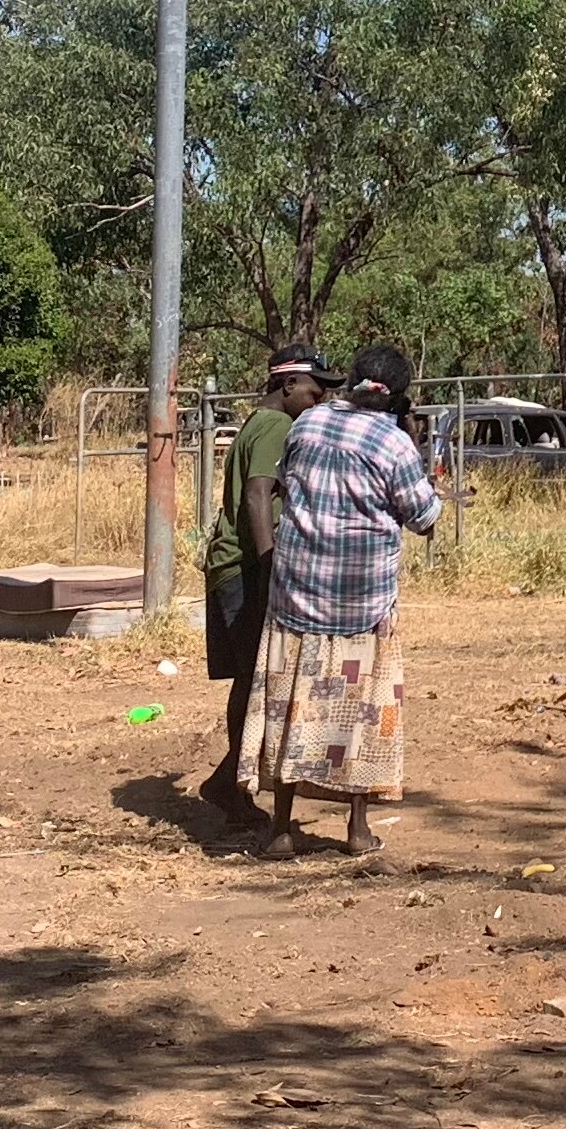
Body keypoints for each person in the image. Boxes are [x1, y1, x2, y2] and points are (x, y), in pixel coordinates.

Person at [244, 341, 442, 860]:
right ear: (397, 395)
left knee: (291, 707)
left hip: (296, 599)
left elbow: (288, 483)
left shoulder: (307, 425)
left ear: (352, 381)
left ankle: (282, 829)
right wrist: (414, 440)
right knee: (362, 713)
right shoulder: (394, 445)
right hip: (362, 605)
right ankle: (356, 829)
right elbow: (424, 517)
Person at [196, 348, 330, 824]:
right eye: (314, 391)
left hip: (234, 564)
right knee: (254, 678)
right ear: (289, 383)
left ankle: (230, 782)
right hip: (246, 567)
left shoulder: (259, 423)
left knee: (250, 678)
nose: (318, 401)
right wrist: (272, 564)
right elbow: (257, 493)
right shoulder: (277, 426)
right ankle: (229, 784)